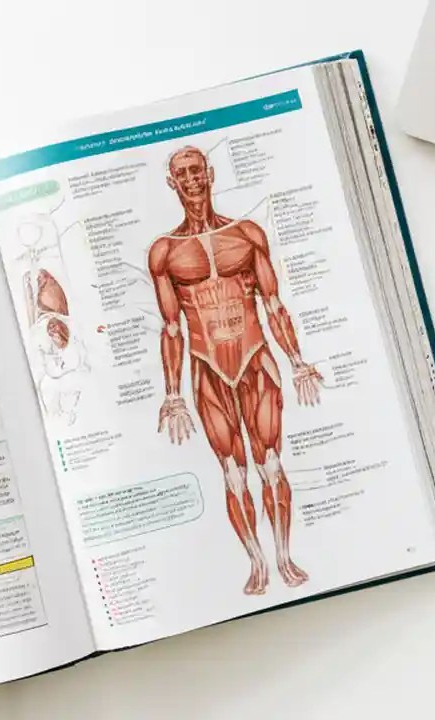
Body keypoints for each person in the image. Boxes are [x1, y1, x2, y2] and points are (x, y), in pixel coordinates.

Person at [147, 146, 322, 595]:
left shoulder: (246, 234)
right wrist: (172, 394)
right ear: (172, 183)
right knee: (232, 471)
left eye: (196, 170)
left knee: (271, 464)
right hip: (207, 369)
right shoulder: (165, 252)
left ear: (210, 173)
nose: (191, 179)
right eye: (181, 173)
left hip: (255, 359)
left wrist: (298, 361)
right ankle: (258, 562)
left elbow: (274, 304)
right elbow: (171, 326)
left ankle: (284, 556)